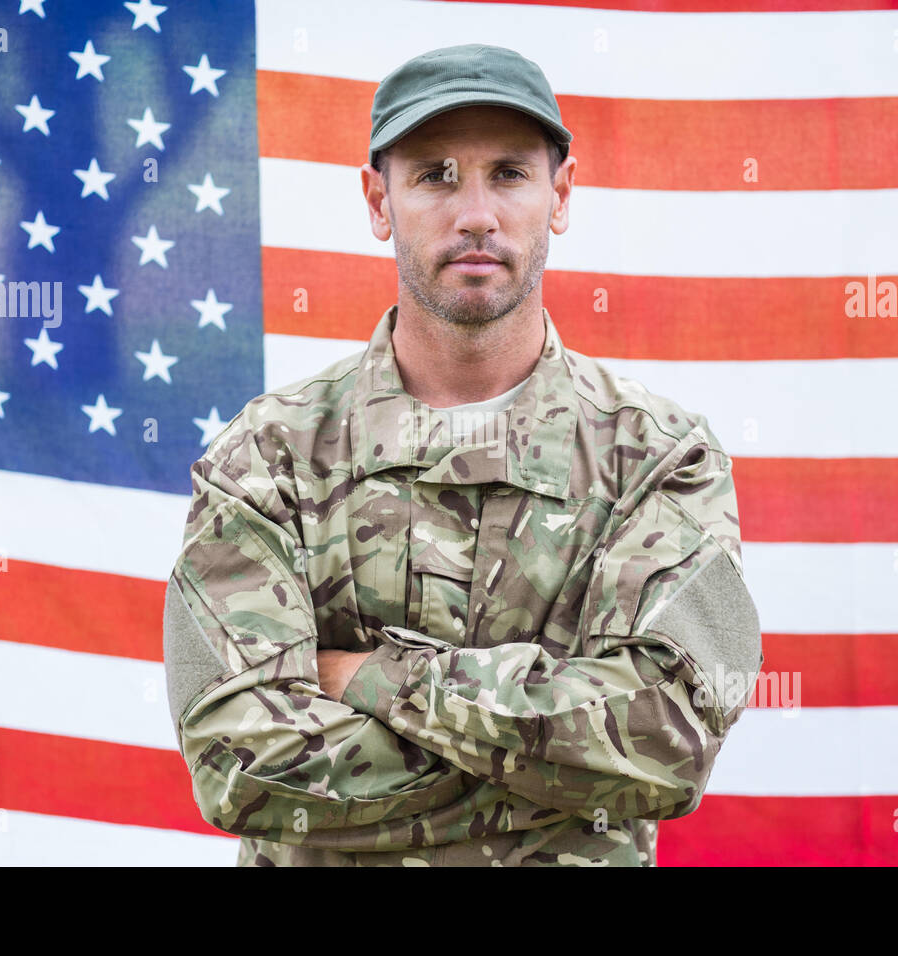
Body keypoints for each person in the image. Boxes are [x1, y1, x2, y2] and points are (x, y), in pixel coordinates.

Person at [162, 44, 763, 866]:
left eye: (509, 173)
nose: (475, 212)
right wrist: (555, 775)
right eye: (436, 175)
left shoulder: (657, 458)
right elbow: (239, 767)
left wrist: (374, 681)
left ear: (561, 194)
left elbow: (667, 741)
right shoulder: (267, 458)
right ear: (379, 201)